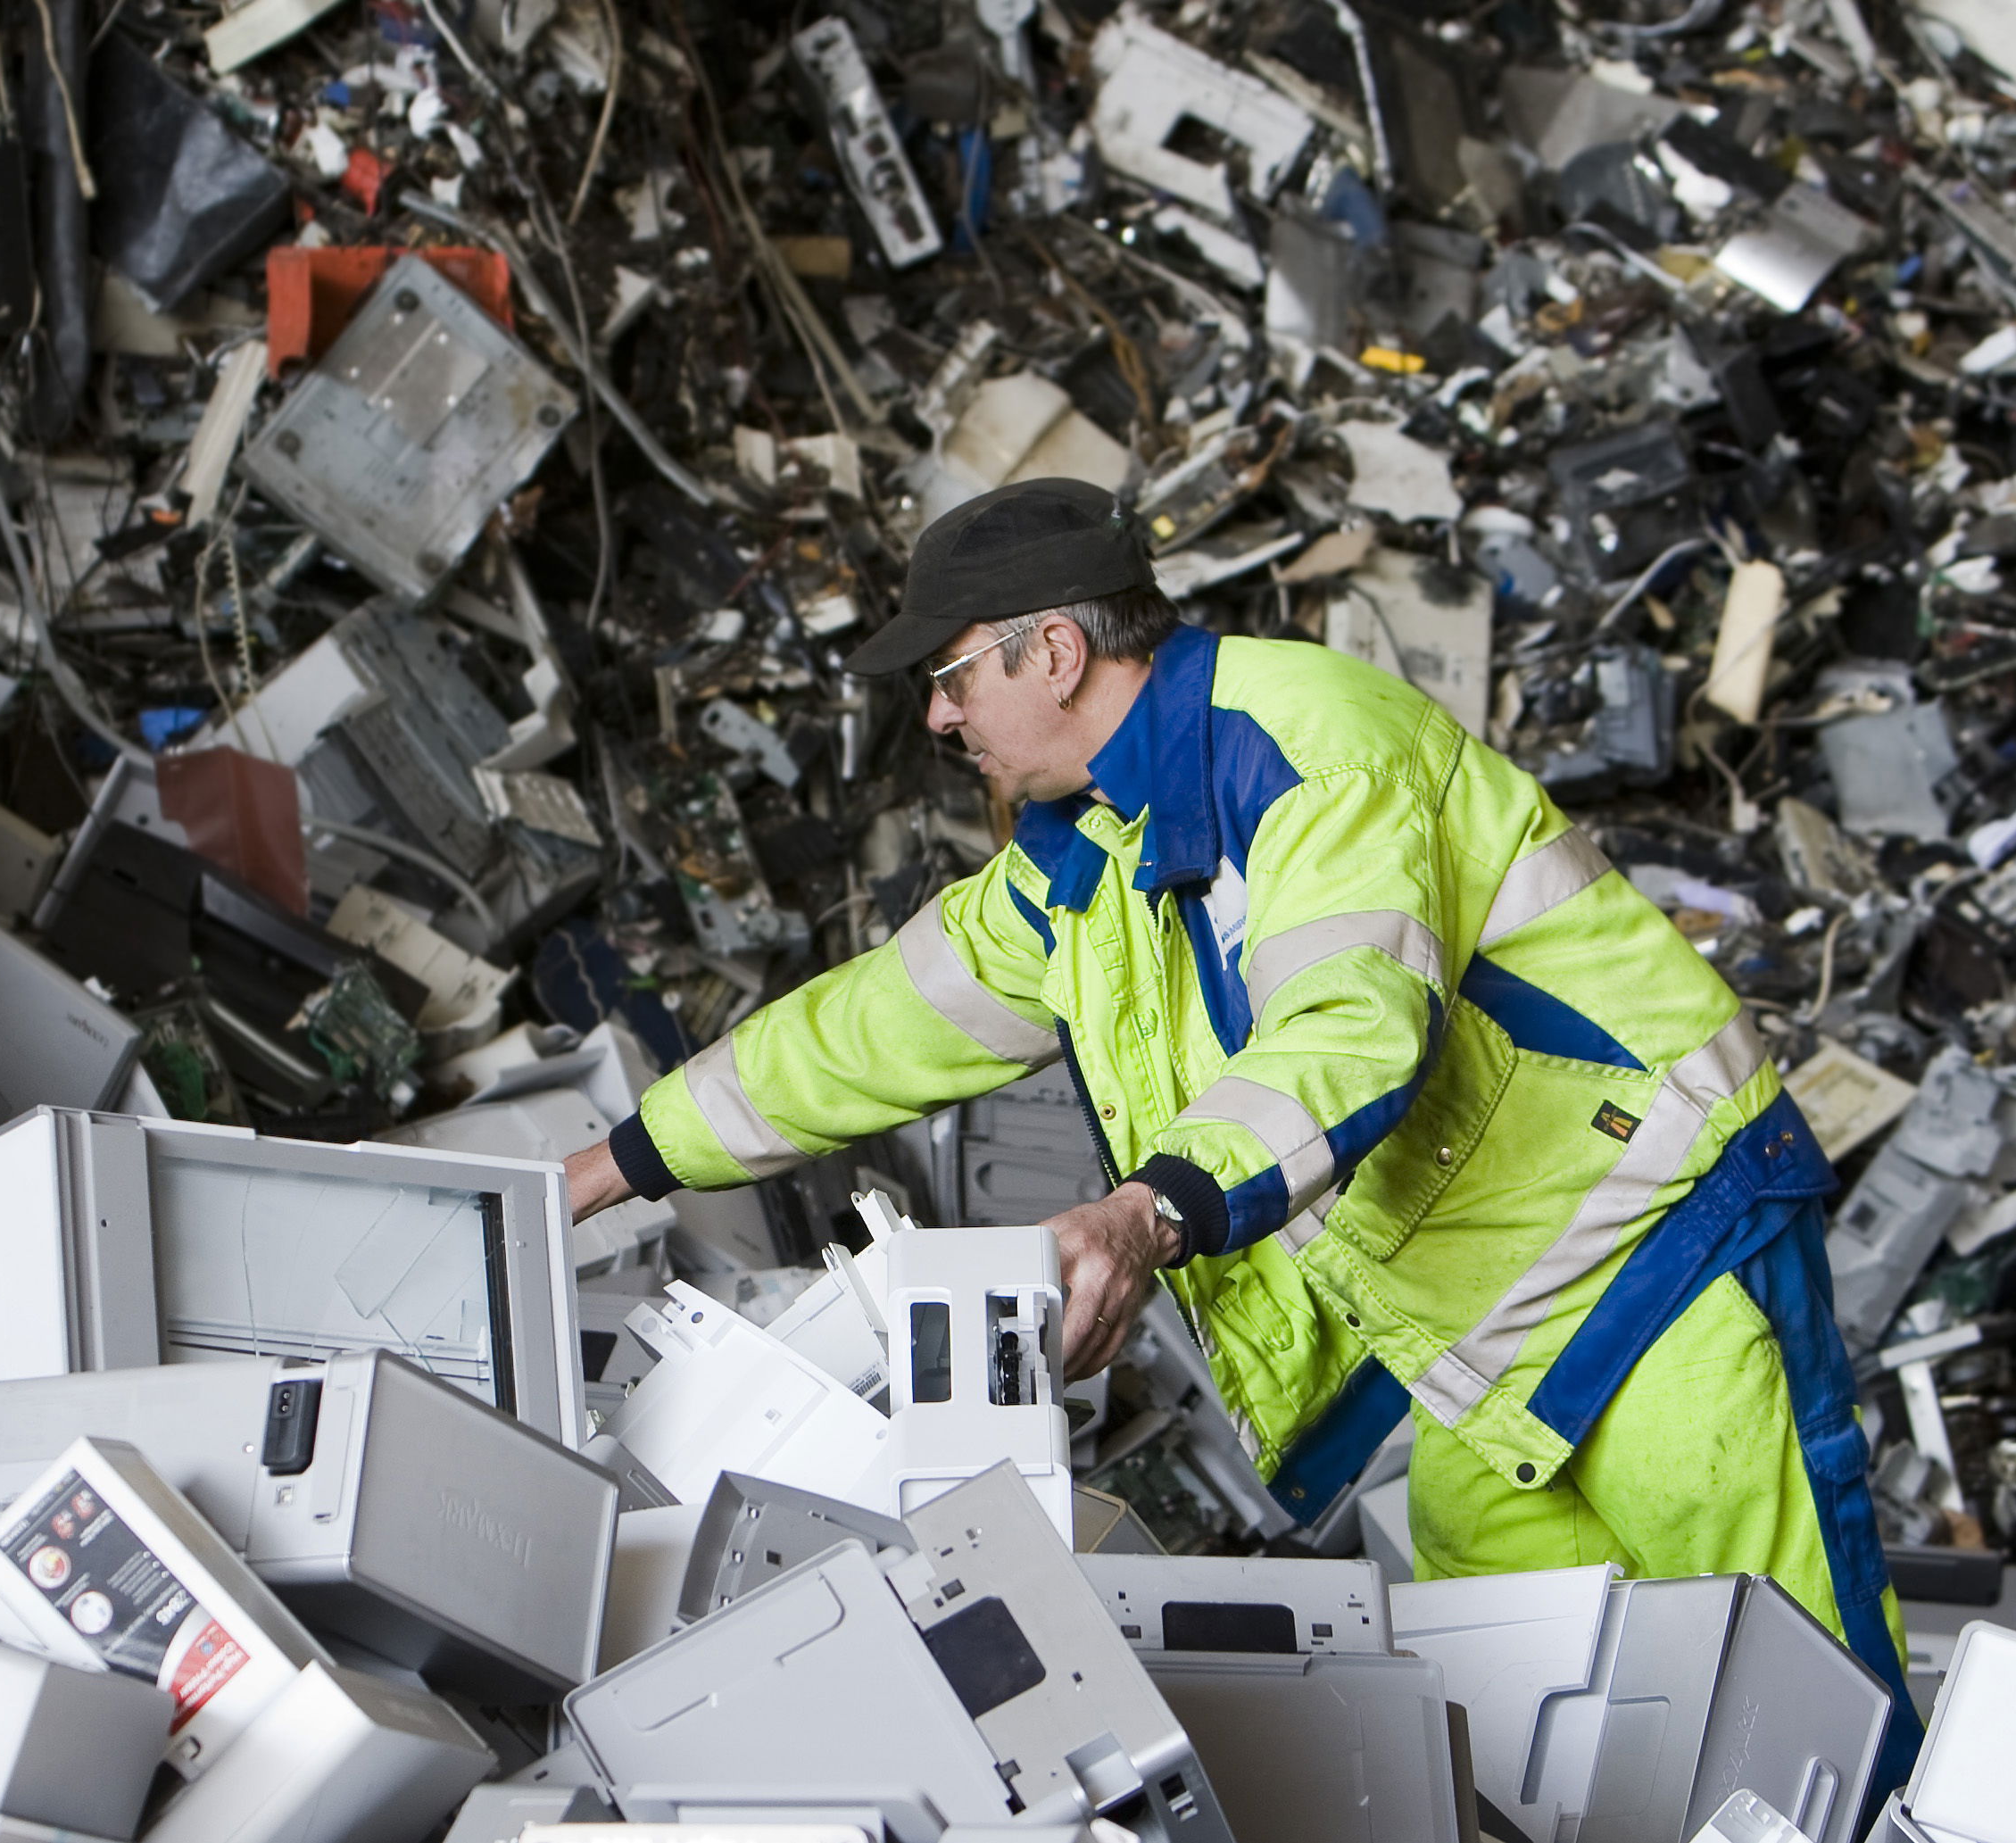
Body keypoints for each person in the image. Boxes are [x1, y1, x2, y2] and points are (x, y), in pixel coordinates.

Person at [563, 478, 1914, 1781]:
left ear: (1053, 650)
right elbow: (877, 1022)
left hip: (1658, 1247)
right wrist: (604, 1168)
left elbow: (1349, 1026)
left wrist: (1144, 1208)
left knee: (1792, 1705)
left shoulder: (1311, 744)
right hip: (1479, 1328)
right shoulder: (1088, 847)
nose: (935, 715)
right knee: (1528, 1729)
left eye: (953, 674)